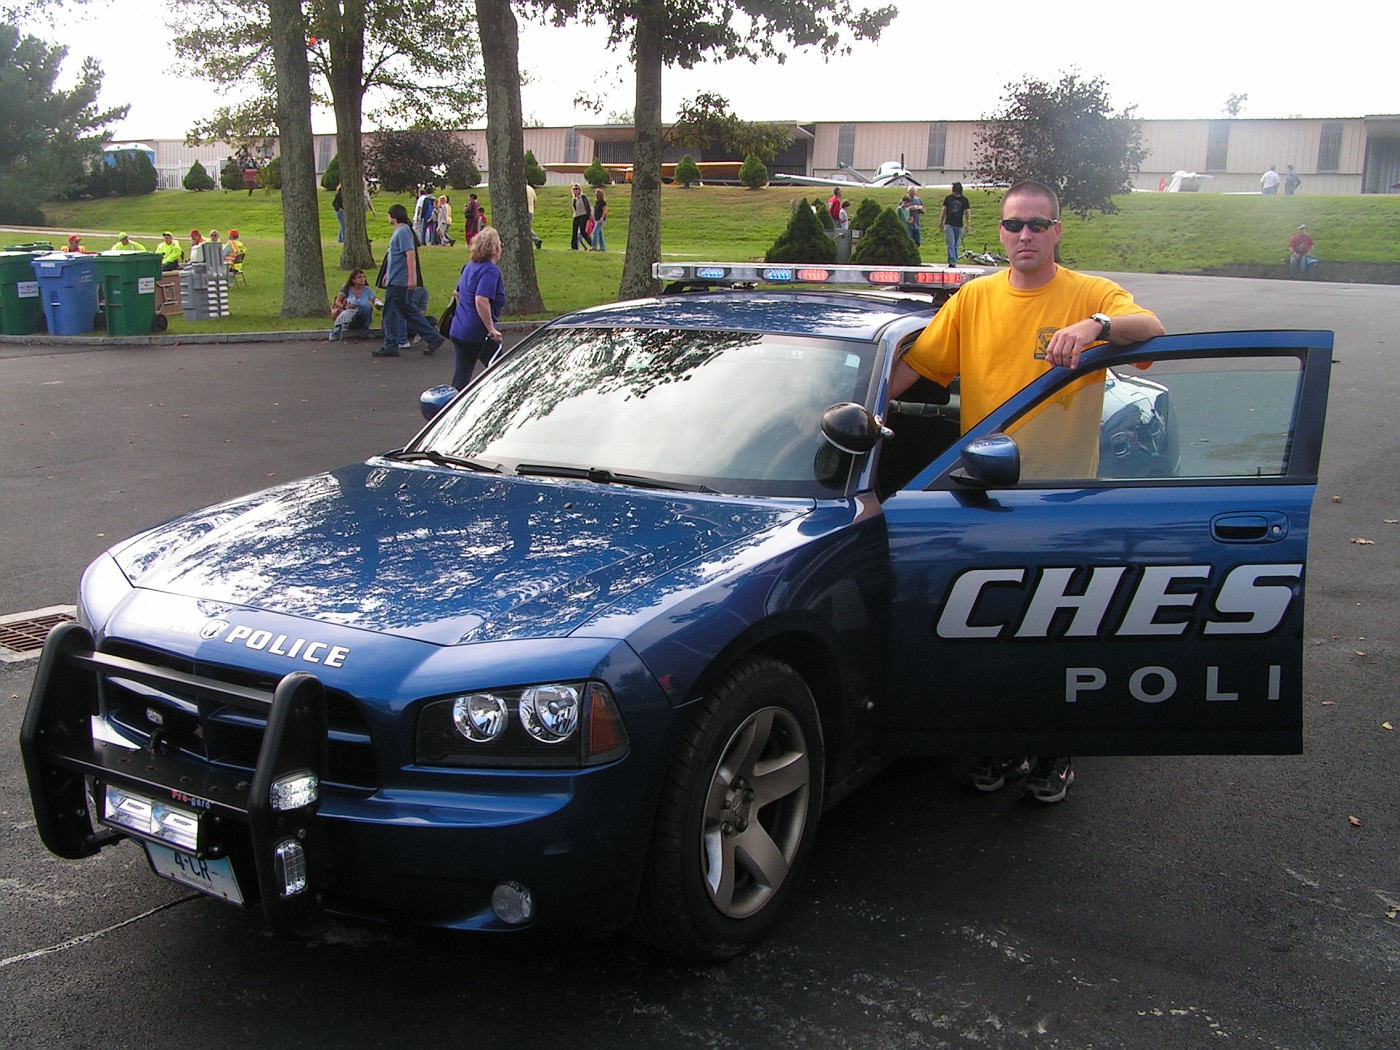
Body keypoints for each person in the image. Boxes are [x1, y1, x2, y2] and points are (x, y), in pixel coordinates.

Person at [888, 178, 1165, 805]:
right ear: (1001, 232)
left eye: (1038, 225)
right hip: (986, 496)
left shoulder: (1089, 294)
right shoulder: (975, 299)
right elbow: (915, 369)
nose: (1025, 236)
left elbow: (1149, 326)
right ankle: (1000, 744)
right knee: (994, 631)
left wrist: (1095, 327)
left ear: (1057, 231)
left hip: (1063, 500)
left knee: (1057, 635)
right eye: (1014, 226)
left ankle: (1053, 754)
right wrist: (846, 406)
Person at [376, 202, 445, 358]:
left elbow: (410, 255)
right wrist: (387, 273)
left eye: (388, 214)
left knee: (390, 314)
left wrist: (412, 278)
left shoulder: (403, 232)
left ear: (393, 216)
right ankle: (433, 337)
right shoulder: (399, 232)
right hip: (395, 279)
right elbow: (395, 257)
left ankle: (391, 345)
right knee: (408, 312)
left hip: (399, 282)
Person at [448, 227, 506, 390]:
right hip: (479, 334)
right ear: (494, 249)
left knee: (461, 378)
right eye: (500, 245)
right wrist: (491, 329)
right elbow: (481, 299)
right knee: (501, 372)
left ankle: (450, 408)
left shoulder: (469, 266)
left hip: (459, 330)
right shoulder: (490, 270)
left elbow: (457, 293)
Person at [329, 268, 380, 340]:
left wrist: (380, 305)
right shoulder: (347, 288)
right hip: (350, 313)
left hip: (362, 317)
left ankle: (365, 331)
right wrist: (345, 306)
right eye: (359, 277)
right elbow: (337, 302)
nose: (362, 279)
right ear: (353, 280)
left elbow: (375, 301)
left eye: (363, 277)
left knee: (368, 307)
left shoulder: (367, 290)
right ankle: (335, 333)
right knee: (347, 313)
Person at [939, 181, 971, 267]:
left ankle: (954, 259)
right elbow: (944, 210)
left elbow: (967, 212)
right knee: (950, 242)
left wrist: (968, 224)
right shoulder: (948, 198)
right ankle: (952, 261)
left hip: (959, 224)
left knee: (956, 244)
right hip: (949, 224)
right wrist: (941, 222)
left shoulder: (964, 200)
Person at [570, 183, 591, 250]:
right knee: (574, 231)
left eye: (577, 189)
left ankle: (592, 243)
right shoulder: (574, 199)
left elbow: (588, 205)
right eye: (574, 189)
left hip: (583, 215)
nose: (575, 191)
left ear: (579, 190)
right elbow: (575, 208)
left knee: (582, 230)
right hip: (577, 216)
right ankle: (574, 247)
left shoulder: (583, 197)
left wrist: (589, 215)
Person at [525, 181, 542, 248]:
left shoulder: (520, 189)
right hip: (531, 210)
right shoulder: (531, 189)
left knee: (526, 228)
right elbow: (535, 200)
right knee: (528, 227)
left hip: (525, 211)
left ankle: (536, 240)